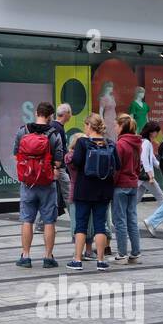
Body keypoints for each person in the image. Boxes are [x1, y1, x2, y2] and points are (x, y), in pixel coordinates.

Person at [13, 101, 65, 268]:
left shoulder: (23, 130)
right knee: (49, 221)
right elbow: (58, 161)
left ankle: (26, 256)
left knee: (27, 219)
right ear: (50, 116)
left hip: (28, 182)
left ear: (36, 112)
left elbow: (16, 155)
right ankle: (48, 257)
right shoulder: (54, 134)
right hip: (47, 182)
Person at [67, 113, 115, 271]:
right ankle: (101, 261)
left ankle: (77, 259)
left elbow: (76, 162)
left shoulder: (82, 142)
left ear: (89, 126)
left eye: (85, 126)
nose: (84, 129)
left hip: (84, 189)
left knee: (81, 225)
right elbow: (117, 165)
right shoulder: (109, 143)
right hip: (104, 189)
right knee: (100, 225)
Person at [111, 113, 143, 264]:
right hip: (133, 184)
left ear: (122, 126)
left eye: (116, 125)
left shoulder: (120, 144)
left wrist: (113, 182)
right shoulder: (137, 143)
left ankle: (122, 254)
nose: (114, 127)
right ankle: (135, 253)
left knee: (120, 220)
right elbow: (138, 166)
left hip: (121, 185)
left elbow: (116, 168)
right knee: (132, 219)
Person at [138, 120, 163, 210]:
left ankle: (124, 220)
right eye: (156, 131)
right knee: (161, 197)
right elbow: (144, 159)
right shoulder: (146, 143)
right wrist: (150, 176)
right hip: (146, 177)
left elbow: (153, 160)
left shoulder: (145, 142)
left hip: (142, 177)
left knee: (135, 200)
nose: (157, 133)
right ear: (151, 132)